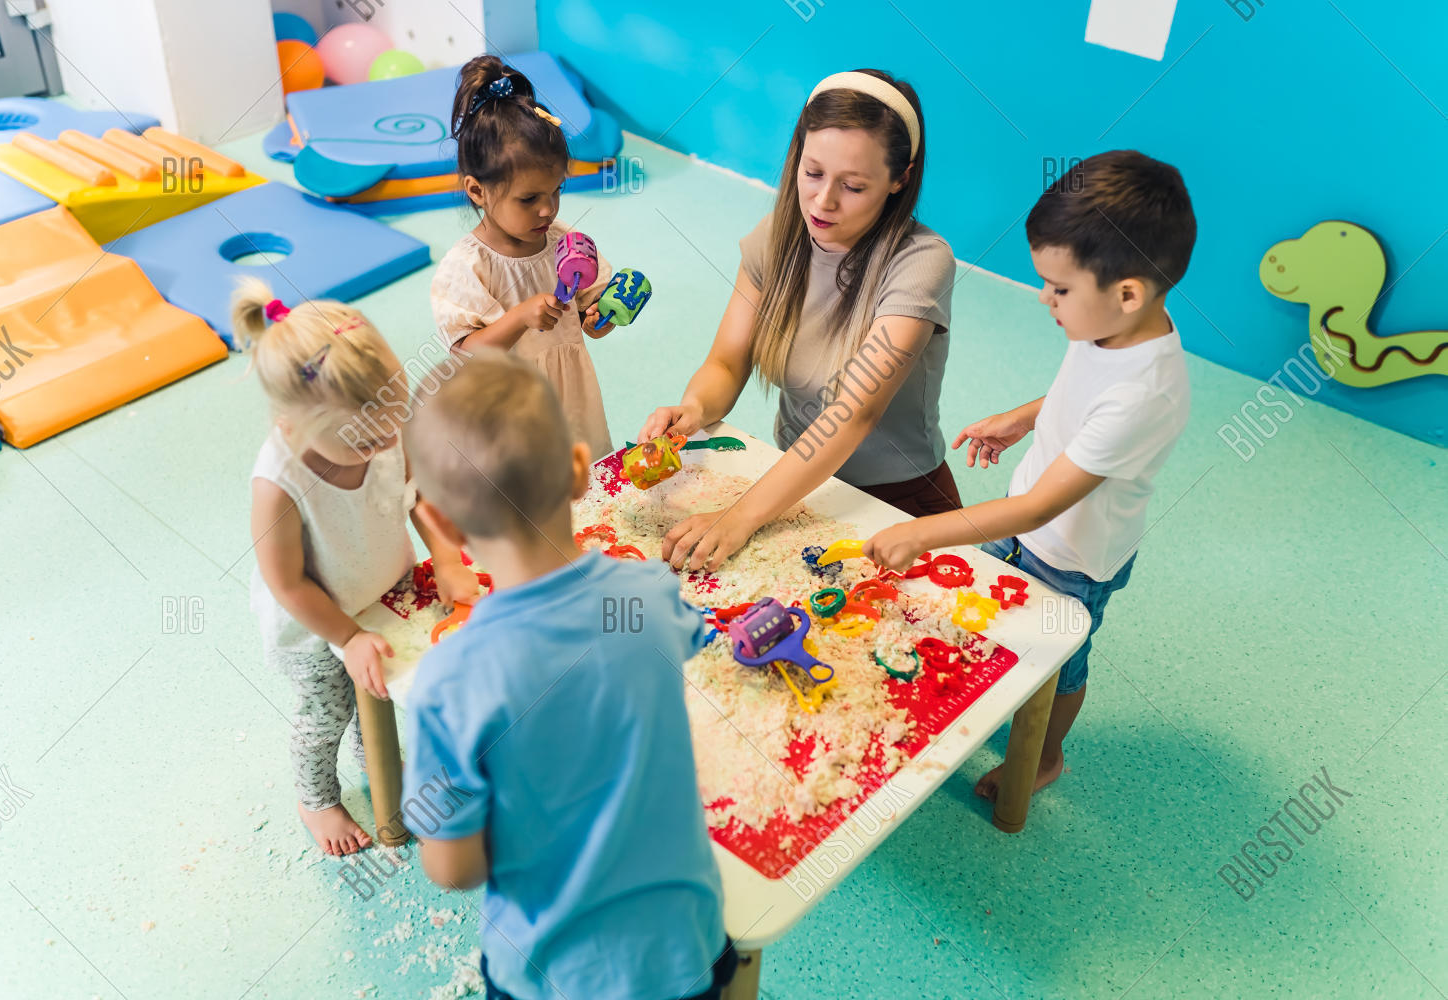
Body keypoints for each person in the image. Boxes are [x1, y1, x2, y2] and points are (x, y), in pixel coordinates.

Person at [864, 150, 1197, 802]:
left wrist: (925, 533)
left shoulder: (1146, 392)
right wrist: (1023, 418)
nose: (1045, 299)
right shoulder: (1111, 325)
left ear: (1127, 292)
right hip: (1031, 521)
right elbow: (1080, 392)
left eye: (1059, 288)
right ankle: (989, 703)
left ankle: (1045, 755)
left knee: (1058, 666)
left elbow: (1043, 507)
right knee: (991, 618)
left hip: (1073, 554)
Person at [401, 349, 733, 999]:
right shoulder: (646, 596)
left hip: (552, 975)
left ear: (439, 523)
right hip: (684, 949)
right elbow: (686, 641)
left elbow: (452, 867)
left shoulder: (449, 683)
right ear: (580, 470)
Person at [639, 68, 959, 571]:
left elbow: (853, 413)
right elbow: (725, 362)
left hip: (896, 503)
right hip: (790, 491)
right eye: (812, 173)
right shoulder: (776, 238)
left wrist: (740, 516)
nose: (823, 201)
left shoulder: (921, 261)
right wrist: (694, 410)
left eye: (853, 185)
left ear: (901, 178)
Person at [239, 279, 476, 855]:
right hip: (315, 626)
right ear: (290, 427)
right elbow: (287, 582)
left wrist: (445, 556)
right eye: (367, 439)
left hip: (380, 586)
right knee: (330, 709)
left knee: (384, 684)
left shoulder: (383, 429)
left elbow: (416, 494)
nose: (385, 443)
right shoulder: (280, 486)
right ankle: (315, 799)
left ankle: (375, 755)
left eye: (391, 427)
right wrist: (347, 636)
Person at [429, 53, 616, 459]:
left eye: (557, 192)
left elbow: (591, 315)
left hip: (572, 404)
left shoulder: (564, 241)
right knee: (523, 502)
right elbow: (466, 353)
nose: (548, 209)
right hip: (509, 413)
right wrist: (519, 316)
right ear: (477, 191)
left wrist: (602, 315)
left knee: (581, 491)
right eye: (529, 198)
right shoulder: (466, 268)